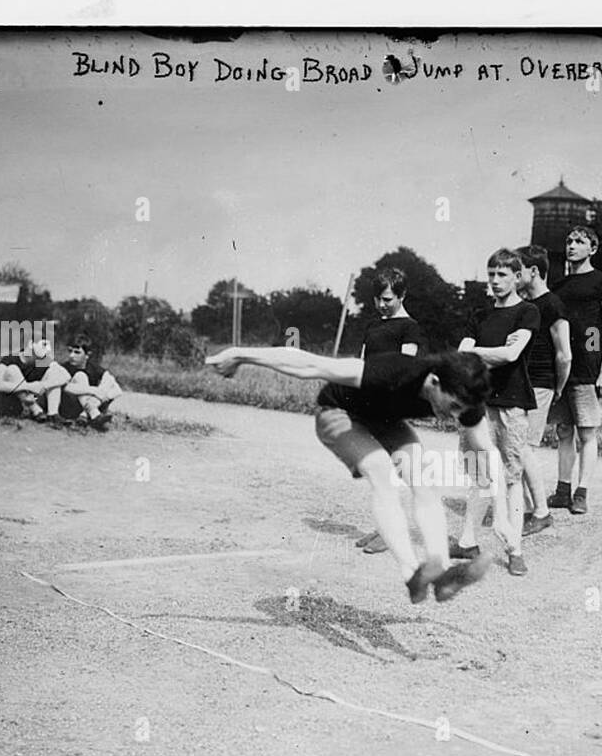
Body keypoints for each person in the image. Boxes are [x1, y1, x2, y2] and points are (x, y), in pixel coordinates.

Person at [204, 344, 508, 603]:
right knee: (381, 472)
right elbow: (309, 364)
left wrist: (503, 512)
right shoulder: (394, 371)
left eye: (461, 409)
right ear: (433, 381)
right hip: (338, 411)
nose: (454, 415)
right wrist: (240, 354)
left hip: (385, 419)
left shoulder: (465, 396)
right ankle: (411, 573)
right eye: (451, 405)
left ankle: (440, 574)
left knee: (423, 479)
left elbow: (484, 450)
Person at [453, 248, 539, 576]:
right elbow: (466, 356)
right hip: (479, 401)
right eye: (491, 274)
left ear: (517, 277)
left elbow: (511, 355)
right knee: (478, 471)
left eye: (502, 274)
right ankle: (467, 541)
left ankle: (514, 548)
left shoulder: (527, 312)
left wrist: (478, 352)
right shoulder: (480, 314)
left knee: (512, 475)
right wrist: (488, 352)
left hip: (512, 403)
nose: (495, 280)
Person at [354, 267, 430, 554]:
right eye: (378, 299)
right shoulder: (373, 326)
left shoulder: (409, 326)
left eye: (388, 299)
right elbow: (362, 362)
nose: (382, 304)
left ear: (402, 295)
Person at [548, 226, 602, 514]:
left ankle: (582, 492)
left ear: (592, 249)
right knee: (564, 431)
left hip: (588, 368)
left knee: (587, 433)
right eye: (569, 241)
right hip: (562, 368)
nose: (572, 246)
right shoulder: (560, 286)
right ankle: (562, 490)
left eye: (579, 241)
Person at [515, 244, 571, 536]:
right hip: (522, 383)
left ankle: (541, 512)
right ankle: (525, 508)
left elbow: (565, 355)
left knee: (524, 447)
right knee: (516, 446)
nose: (513, 275)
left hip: (541, 382)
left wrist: (558, 387)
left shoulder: (553, 305)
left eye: (518, 270)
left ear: (534, 271)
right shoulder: (526, 305)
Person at [0, 334, 71, 424]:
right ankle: (35, 410)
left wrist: (44, 385)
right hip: (12, 403)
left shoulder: (43, 360)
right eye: (44, 345)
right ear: (31, 344)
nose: (48, 349)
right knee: (12, 369)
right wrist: (28, 387)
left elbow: (66, 376)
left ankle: (53, 414)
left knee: (54, 372)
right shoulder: (10, 359)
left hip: (34, 398)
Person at [59, 336, 123, 430]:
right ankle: (93, 414)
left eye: (77, 352)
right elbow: (65, 387)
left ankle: (85, 414)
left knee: (113, 385)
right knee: (80, 376)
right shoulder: (64, 367)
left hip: (87, 404)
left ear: (87, 355)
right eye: (70, 351)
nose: (71, 356)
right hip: (69, 407)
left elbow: (115, 386)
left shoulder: (92, 367)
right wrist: (93, 390)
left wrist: (98, 398)